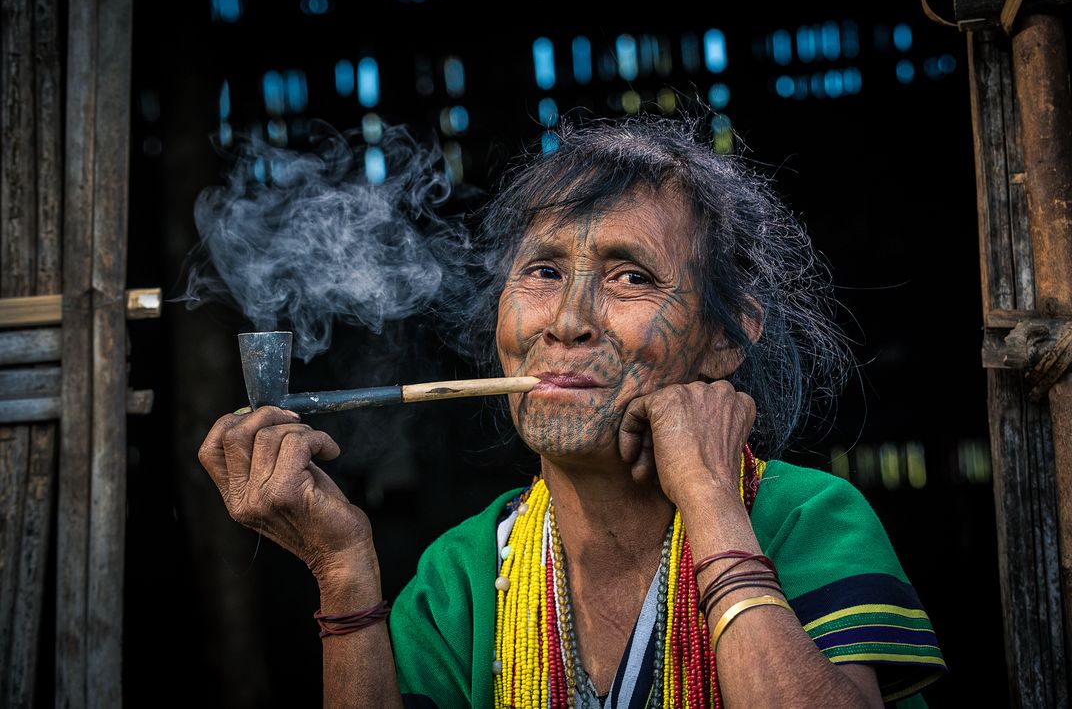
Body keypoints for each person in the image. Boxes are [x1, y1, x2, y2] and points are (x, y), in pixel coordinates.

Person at [198, 115, 945, 708]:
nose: (567, 321)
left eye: (630, 276)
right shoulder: (462, 576)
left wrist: (713, 501)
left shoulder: (804, 519)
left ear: (725, 338)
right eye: (545, 270)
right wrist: (343, 573)